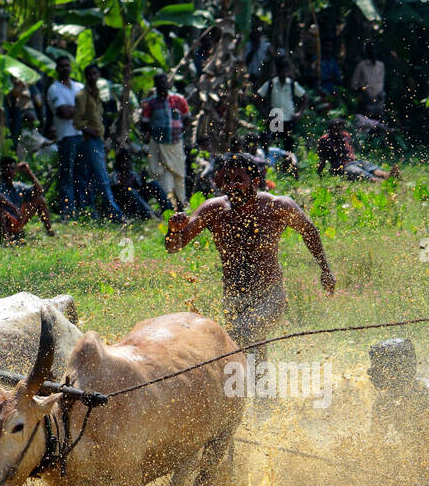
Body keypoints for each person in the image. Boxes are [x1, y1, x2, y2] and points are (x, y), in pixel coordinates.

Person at [165, 152, 334, 368]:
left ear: (254, 182)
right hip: (234, 298)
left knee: (242, 335)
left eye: (238, 180)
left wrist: (325, 269)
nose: (231, 186)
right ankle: (264, 398)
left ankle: (260, 394)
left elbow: (309, 231)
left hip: (270, 295)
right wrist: (173, 231)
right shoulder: (214, 210)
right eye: (227, 181)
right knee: (250, 354)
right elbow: (174, 247)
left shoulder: (277, 206)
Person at [368, 337, 429, 479]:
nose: (374, 373)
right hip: (421, 455)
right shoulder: (382, 403)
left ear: (398, 369)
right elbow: (376, 441)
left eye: (381, 368)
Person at [73, 63, 126, 224]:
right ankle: (115, 214)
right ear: (86, 76)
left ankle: (90, 213)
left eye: (95, 73)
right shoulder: (82, 95)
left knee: (89, 178)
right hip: (89, 140)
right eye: (90, 74)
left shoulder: (96, 94)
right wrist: (89, 130)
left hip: (97, 140)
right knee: (102, 178)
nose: (93, 77)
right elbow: (77, 121)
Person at [139, 72, 191, 209]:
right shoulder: (150, 103)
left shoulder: (179, 100)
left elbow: (187, 118)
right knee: (159, 172)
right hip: (157, 143)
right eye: (159, 82)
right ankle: (167, 205)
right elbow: (144, 124)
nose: (162, 85)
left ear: (168, 83)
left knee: (179, 172)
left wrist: (179, 132)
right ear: (155, 85)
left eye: (164, 81)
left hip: (175, 142)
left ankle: (181, 203)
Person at [47, 56, 82, 217]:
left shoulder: (79, 87)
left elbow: (93, 108)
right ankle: (67, 211)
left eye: (67, 65)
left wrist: (73, 109)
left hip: (83, 135)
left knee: (82, 174)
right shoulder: (54, 89)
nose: (65, 68)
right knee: (67, 175)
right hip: (66, 137)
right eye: (61, 66)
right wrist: (81, 109)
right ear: (57, 69)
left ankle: (83, 209)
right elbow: (63, 112)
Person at [0, 156, 55, 237]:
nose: (10, 171)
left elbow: (40, 191)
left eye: (12, 169)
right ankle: (5, 239)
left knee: (39, 200)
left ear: (16, 171)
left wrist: (29, 172)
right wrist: (14, 207)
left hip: (18, 220)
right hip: (3, 223)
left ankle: (50, 232)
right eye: (7, 169)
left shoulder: (18, 186)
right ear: (2, 171)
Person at [256, 57, 307, 152]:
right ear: (278, 71)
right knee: (272, 144)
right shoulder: (271, 83)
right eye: (281, 71)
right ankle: (271, 164)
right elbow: (258, 97)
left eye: (285, 71)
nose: (283, 74)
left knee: (288, 145)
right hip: (275, 118)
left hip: (289, 118)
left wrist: (300, 112)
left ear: (287, 71)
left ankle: (288, 165)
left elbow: (304, 97)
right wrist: (265, 113)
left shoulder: (291, 83)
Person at [316, 118, 393, 181]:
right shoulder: (325, 140)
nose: (339, 132)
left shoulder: (345, 135)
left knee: (368, 166)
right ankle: (379, 181)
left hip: (354, 162)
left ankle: (387, 175)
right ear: (330, 130)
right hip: (342, 167)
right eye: (337, 130)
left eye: (341, 129)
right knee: (359, 172)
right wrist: (319, 174)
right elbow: (322, 160)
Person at [351, 43, 387, 117]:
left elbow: (381, 82)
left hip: (379, 100)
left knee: (379, 122)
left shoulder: (381, 65)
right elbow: (354, 84)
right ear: (366, 52)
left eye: (374, 50)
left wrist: (380, 94)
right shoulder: (361, 65)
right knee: (367, 122)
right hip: (366, 100)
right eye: (370, 50)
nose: (373, 52)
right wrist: (362, 91)